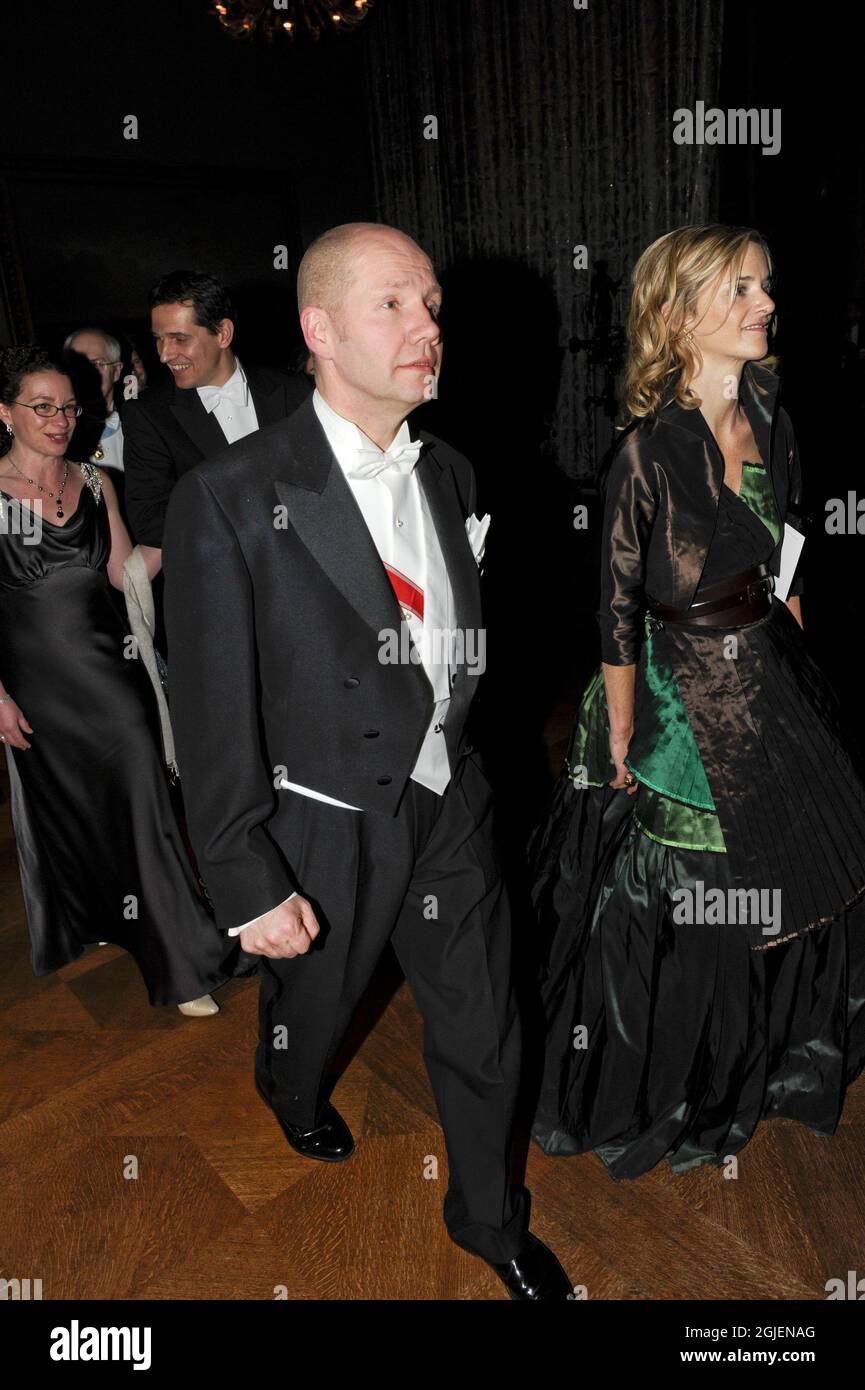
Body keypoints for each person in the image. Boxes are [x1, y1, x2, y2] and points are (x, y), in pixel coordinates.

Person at [162, 222, 572, 1299]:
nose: (426, 326)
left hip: (449, 802)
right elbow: (210, 713)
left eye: (430, 305)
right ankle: (289, 1090)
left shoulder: (453, 468)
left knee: (489, 1024)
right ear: (320, 330)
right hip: (321, 818)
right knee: (315, 1011)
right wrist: (245, 881)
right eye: (393, 304)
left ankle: (488, 1221)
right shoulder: (230, 495)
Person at [529, 224, 865, 1179]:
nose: (763, 303)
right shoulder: (645, 451)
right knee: (697, 895)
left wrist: (805, 679)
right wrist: (625, 729)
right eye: (738, 289)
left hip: (770, 667)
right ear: (677, 317)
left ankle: (772, 1067)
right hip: (675, 686)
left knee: (809, 869)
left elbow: (790, 550)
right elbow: (617, 607)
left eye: (764, 284)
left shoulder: (772, 413)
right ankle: (675, 1087)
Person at [0, 346, 244, 1016]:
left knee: (144, 797)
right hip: (37, 690)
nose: (59, 419)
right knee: (72, 809)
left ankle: (185, 964)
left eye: (69, 407)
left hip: (111, 673)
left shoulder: (94, 481)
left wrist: (192, 522)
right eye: (42, 407)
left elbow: (122, 572)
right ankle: (106, 920)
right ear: (5, 412)